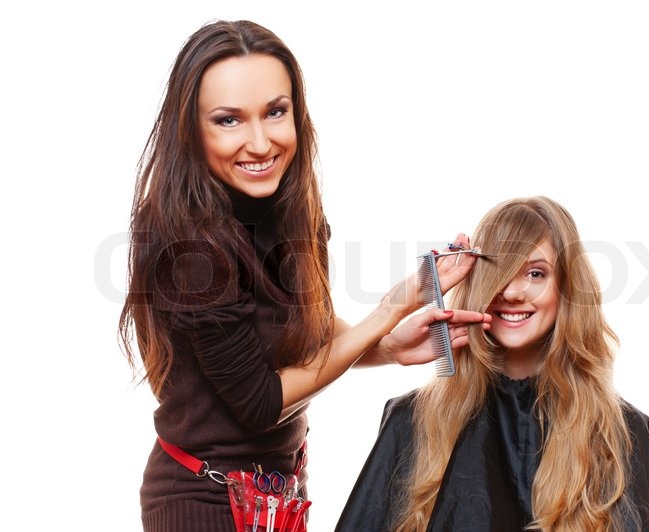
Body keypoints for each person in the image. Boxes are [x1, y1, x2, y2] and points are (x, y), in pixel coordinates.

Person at [118, 19, 489, 532]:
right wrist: (387, 313)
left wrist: (386, 348)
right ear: (192, 131)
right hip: (202, 505)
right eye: (228, 120)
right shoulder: (190, 252)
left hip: (279, 496)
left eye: (275, 112)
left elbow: (297, 331)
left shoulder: (284, 210)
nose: (260, 142)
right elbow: (260, 402)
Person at [336, 196, 649, 532]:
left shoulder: (623, 433)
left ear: (566, 288)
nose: (511, 292)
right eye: (500, 272)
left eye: (536, 274)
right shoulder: (411, 422)